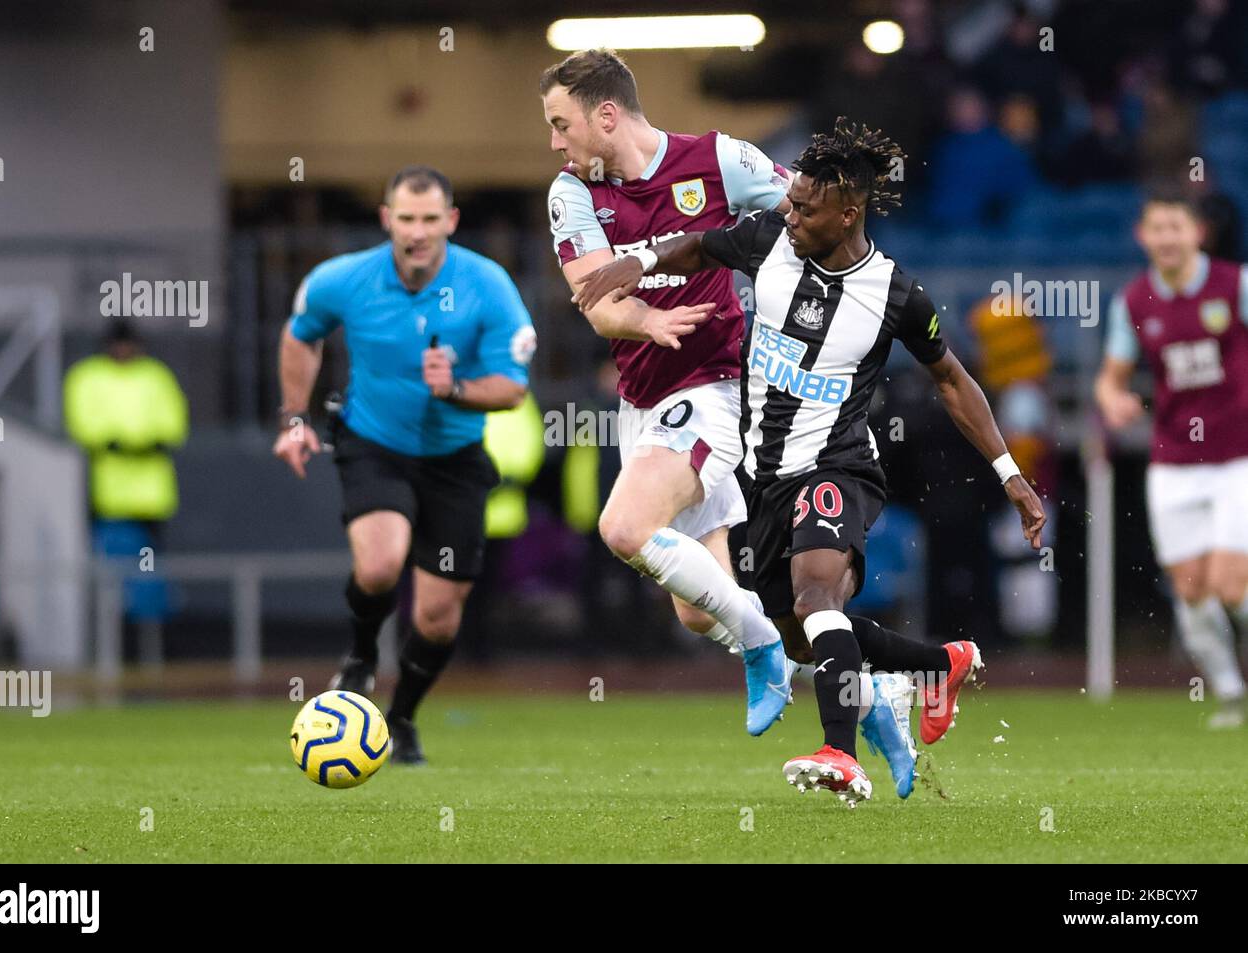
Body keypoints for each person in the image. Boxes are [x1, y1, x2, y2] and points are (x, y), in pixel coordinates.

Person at [574, 119, 1047, 804]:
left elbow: (953, 380)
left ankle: (839, 752)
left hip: (839, 465)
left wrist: (1010, 475)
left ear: (848, 212)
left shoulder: (895, 293)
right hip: (765, 475)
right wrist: (638, 264)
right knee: (800, 636)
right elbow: (699, 246)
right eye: (789, 202)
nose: (787, 213)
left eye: (804, 207)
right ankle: (938, 662)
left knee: (814, 594)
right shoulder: (770, 242)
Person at [541, 47, 799, 736]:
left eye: (561, 124)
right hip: (643, 400)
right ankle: (865, 688)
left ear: (605, 115)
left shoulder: (720, 160)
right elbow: (596, 299)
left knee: (623, 527)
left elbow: (808, 212)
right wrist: (647, 318)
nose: (555, 142)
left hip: (714, 385)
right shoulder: (571, 191)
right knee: (696, 608)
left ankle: (766, 648)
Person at [274, 165, 536, 764]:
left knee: (439, 617)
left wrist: (456, 390)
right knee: (380, 565)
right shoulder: (343, 279)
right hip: (374, 445)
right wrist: (294, 420)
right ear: (387, 219)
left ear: (451, 221)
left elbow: (512, 390)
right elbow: (300, 334)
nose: (417, 232)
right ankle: (362, 653)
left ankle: (403, 718)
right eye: (406, 218)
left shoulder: (488, 285)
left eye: (429, 219)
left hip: (454, 457)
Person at [1095, 191, 1248, 729]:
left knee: (1232, 585)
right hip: (1174, 460)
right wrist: (1114, 402)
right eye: (1156, 228)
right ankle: (1230, 691)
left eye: (1175, 226)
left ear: (1197, 232)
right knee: (1191, 592)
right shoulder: (1134, 302)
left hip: (1238, 457)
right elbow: (1111, 379)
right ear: (1143, 237)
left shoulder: (1237, 285)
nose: (1166, 237)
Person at [64, 318, 188, 656]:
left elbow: (172, 425)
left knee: (150, 581)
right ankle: (114, 656)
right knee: (112, 582)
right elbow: (84, 426)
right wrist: (126, 442)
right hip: (109, 501)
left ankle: (150, 655)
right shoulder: (87, 376)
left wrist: (130, 442)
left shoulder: (155, 376)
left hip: (151, 500)